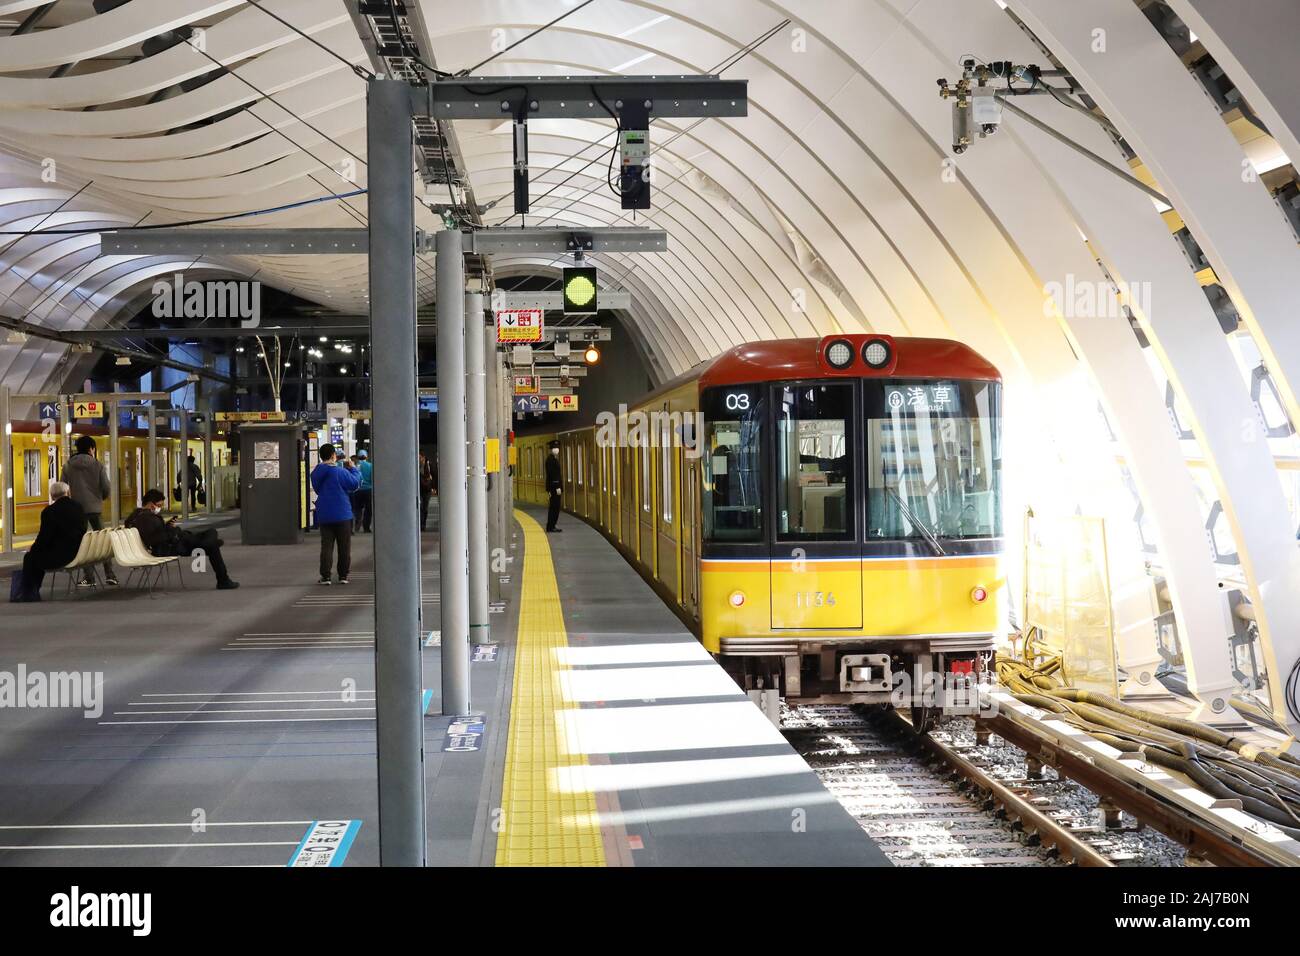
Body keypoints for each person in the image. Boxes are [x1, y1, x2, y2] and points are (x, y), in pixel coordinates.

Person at [126, 489, 239, 589]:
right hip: (173, 547)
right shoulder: (145, 519)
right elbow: (155, 539)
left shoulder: (140, 516)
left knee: (211, 532)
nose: (159, 509)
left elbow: (157, 533)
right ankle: (223, 580)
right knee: (212, 544)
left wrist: (168, 526)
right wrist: (172, 531)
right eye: (159, 506)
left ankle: (210, 545)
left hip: (175, 542)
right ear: (151, 504)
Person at [60, 435, 117, 587]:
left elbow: (62, 487)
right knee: (103, 541)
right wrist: (101, 497)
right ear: (91, 448)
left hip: (76, 511)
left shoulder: (68, 465)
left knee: (83, 543)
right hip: (95, 509)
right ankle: (110, 575)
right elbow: (106, 487)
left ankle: (88, 577)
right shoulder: (97, 465)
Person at [16, 482, 86, 601]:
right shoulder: (78, 507)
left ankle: (29, 593)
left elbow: (44, 537)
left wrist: (32, 548)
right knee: (36, 556)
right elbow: (83, 529)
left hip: (61, 556)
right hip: (78, 551)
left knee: (30, 558)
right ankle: (31, 591)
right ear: (67, 493)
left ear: (52, 496)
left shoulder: (49, 511)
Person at [311, 442, 359, 585]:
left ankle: (325, 576)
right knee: (344, 546)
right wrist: (354, 469)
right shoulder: (340, 471)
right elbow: (355, 484)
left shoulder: (315, 473)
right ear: (333, 455)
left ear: (320, 456)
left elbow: (319, 490)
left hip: (325, 513)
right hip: (342, 513)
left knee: (326, 546)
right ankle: (343, 575)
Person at [544, 440, 563, 533]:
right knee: (554, 507)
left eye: (557, 448)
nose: (556, 449)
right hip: (554, 488)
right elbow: (552, 474)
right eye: (555, 448)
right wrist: (557, 487)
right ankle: (551, 526)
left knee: (555, 507)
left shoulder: (554, 459)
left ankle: (552, 525)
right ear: (551, 449)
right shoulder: (550, 460)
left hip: (554, 487)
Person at [353, 449, 373, 534]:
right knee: (368, 509)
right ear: (366, 456)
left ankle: (357, 523)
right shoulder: (370, 466)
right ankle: (366, 527)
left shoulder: (355, 466)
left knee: (357, 508)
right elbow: (372, 479)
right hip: (368, 490)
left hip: (357, 490)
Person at [418, 452, 435, 532]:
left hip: (427, 489)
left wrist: (433, 487)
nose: (419, 459)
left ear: (423, 457)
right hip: (420, 489)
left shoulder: (428, 465)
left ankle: (423, 524)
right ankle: (421, 524)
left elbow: (434, 475)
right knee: (420, 507)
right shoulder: (417, 465)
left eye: (420, 457)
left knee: (425, 508)